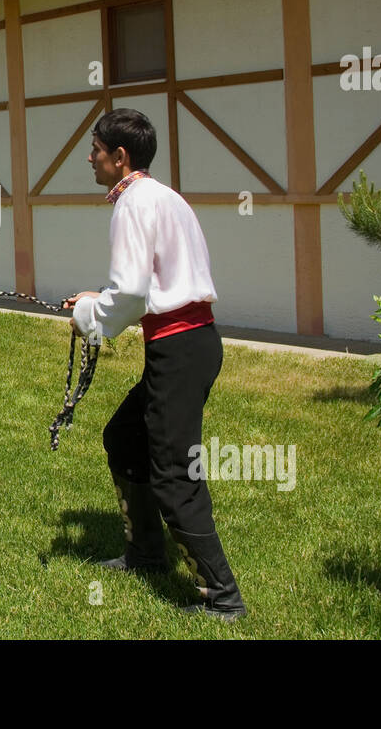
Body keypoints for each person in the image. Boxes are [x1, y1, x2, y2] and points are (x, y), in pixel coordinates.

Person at [61, 108, 246, 621]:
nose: (89, 157)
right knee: (124, 436)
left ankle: (223, 597)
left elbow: (134, 293)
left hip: (180, 348)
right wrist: (100, 299)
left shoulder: (132, 205)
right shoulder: (164, 197)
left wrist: (85, 315)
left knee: (173, 472)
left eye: (95, 149)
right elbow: (150, 286)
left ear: (120, 157)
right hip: (193, 342)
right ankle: (146, 553)